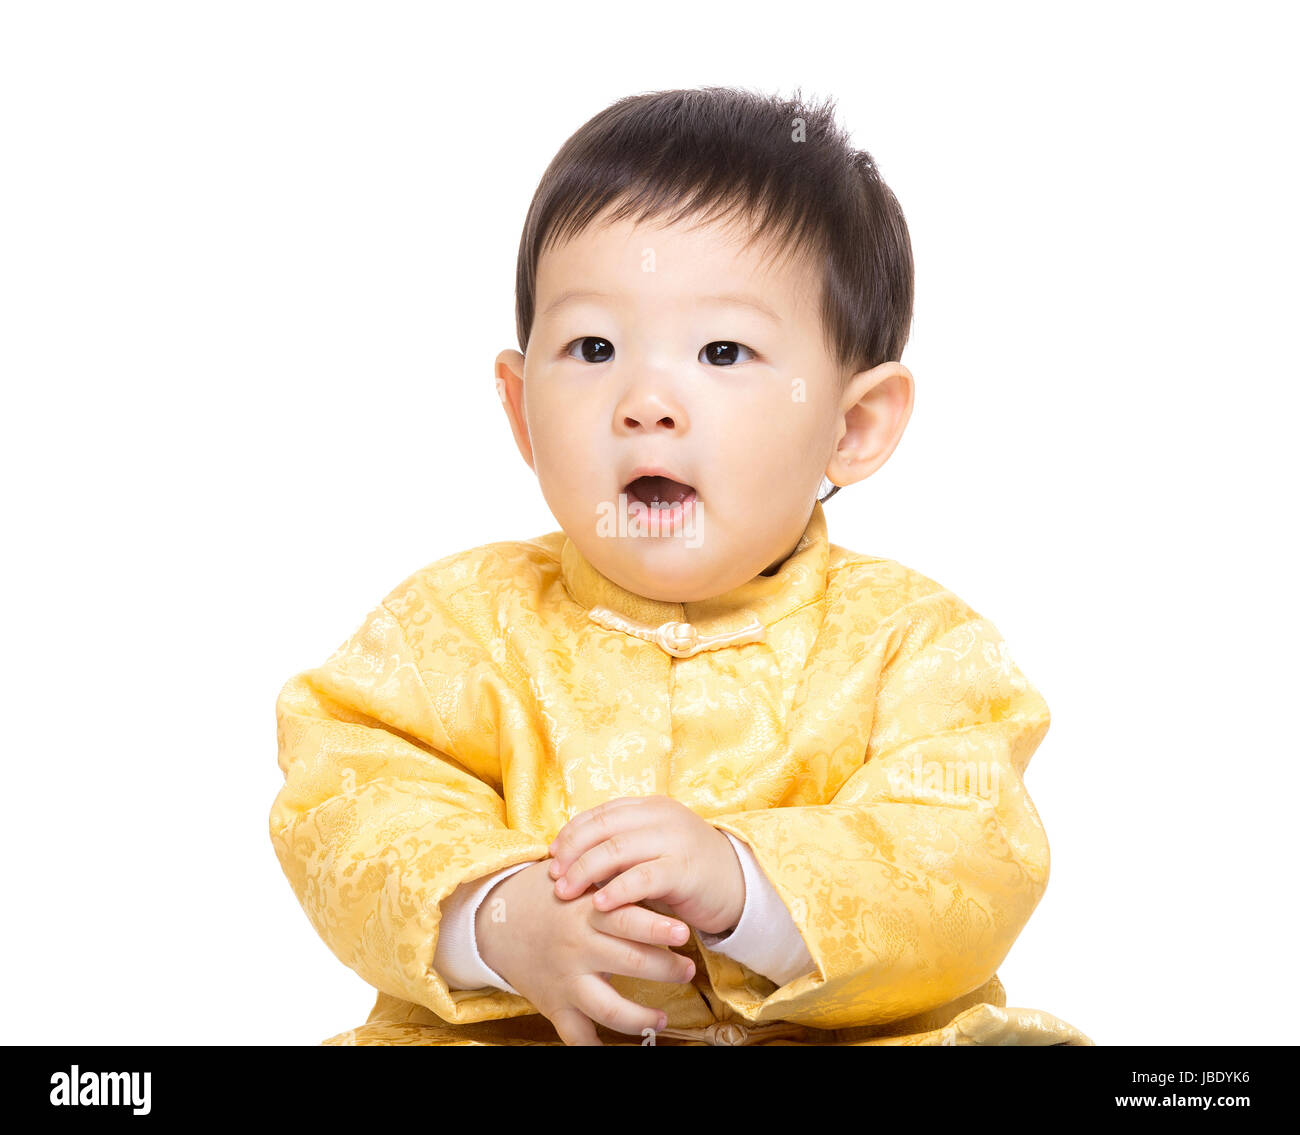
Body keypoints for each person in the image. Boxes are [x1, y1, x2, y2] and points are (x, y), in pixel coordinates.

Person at [269, 86, 1093, 1046]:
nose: (647, 400)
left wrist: (745, 883)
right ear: (519, 405)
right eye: (593, 347)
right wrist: (502, 918)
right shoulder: (452, 630)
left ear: (854, 423)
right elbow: (348, 801)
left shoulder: (916, 645)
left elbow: (970, 854)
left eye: (722, 349)